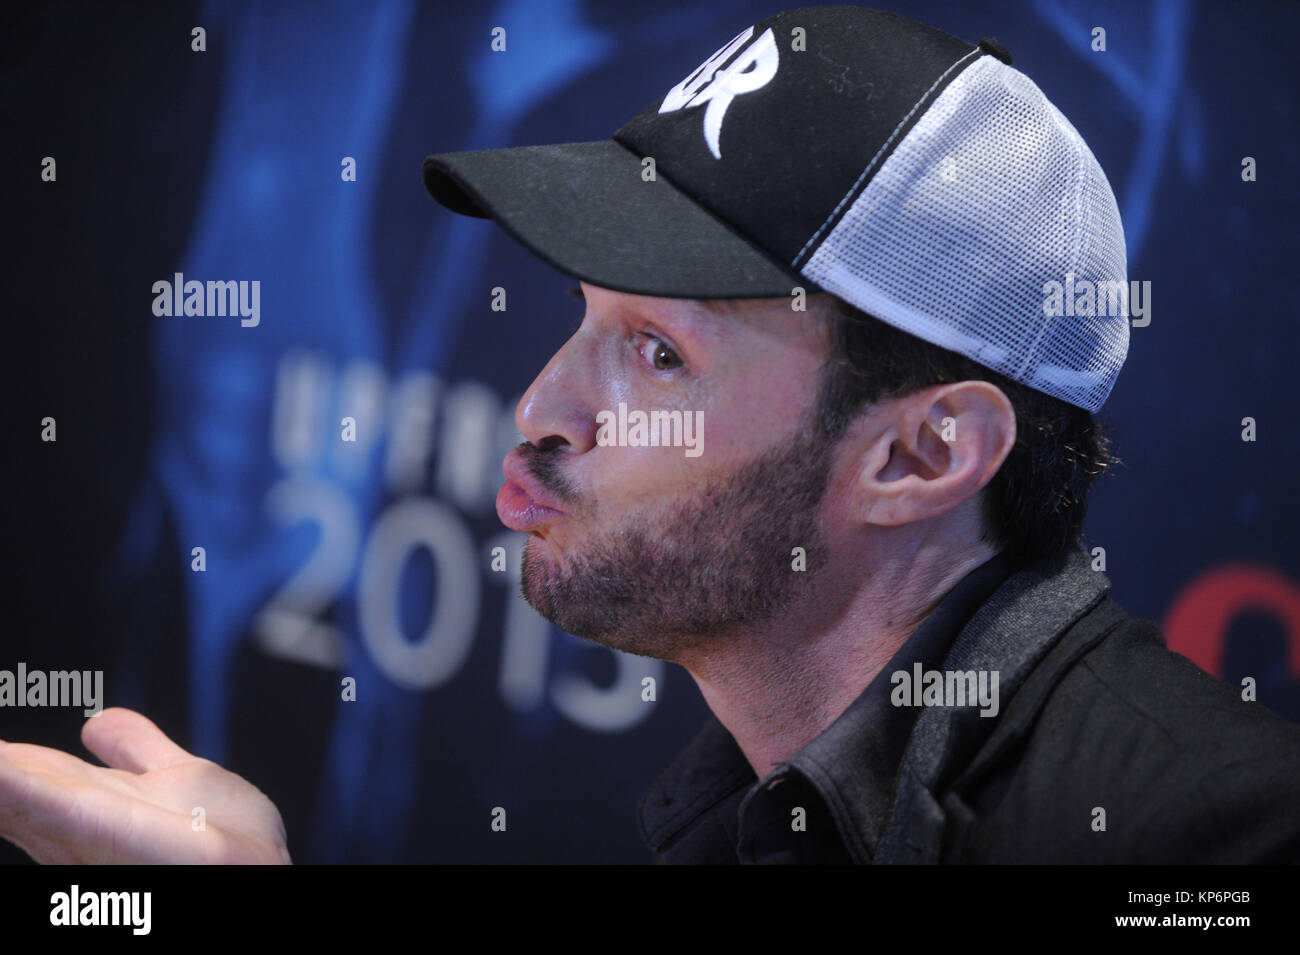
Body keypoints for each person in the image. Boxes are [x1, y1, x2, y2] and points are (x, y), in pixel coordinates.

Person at [3, 5, 1298, 865]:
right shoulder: (752, 805)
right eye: (587, 321)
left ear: (922, 455)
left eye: (658, 352)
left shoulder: (1211, 840)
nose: (539, 411)